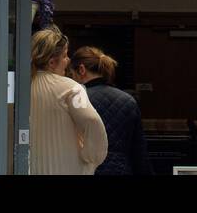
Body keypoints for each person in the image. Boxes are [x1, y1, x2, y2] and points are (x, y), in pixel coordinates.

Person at [29, 25, 108, 175]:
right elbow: (92, 119)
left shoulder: (18, 88)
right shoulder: (71, 88)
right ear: (52, 62)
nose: (68, 61)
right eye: (65, 56)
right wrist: (91, 156)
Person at [69, 45, 153, 176]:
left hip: (87, 169)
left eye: (72, 74)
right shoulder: (128, 101)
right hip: (121, 169)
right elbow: (139, 150)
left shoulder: (77, 99)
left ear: (81, 70)